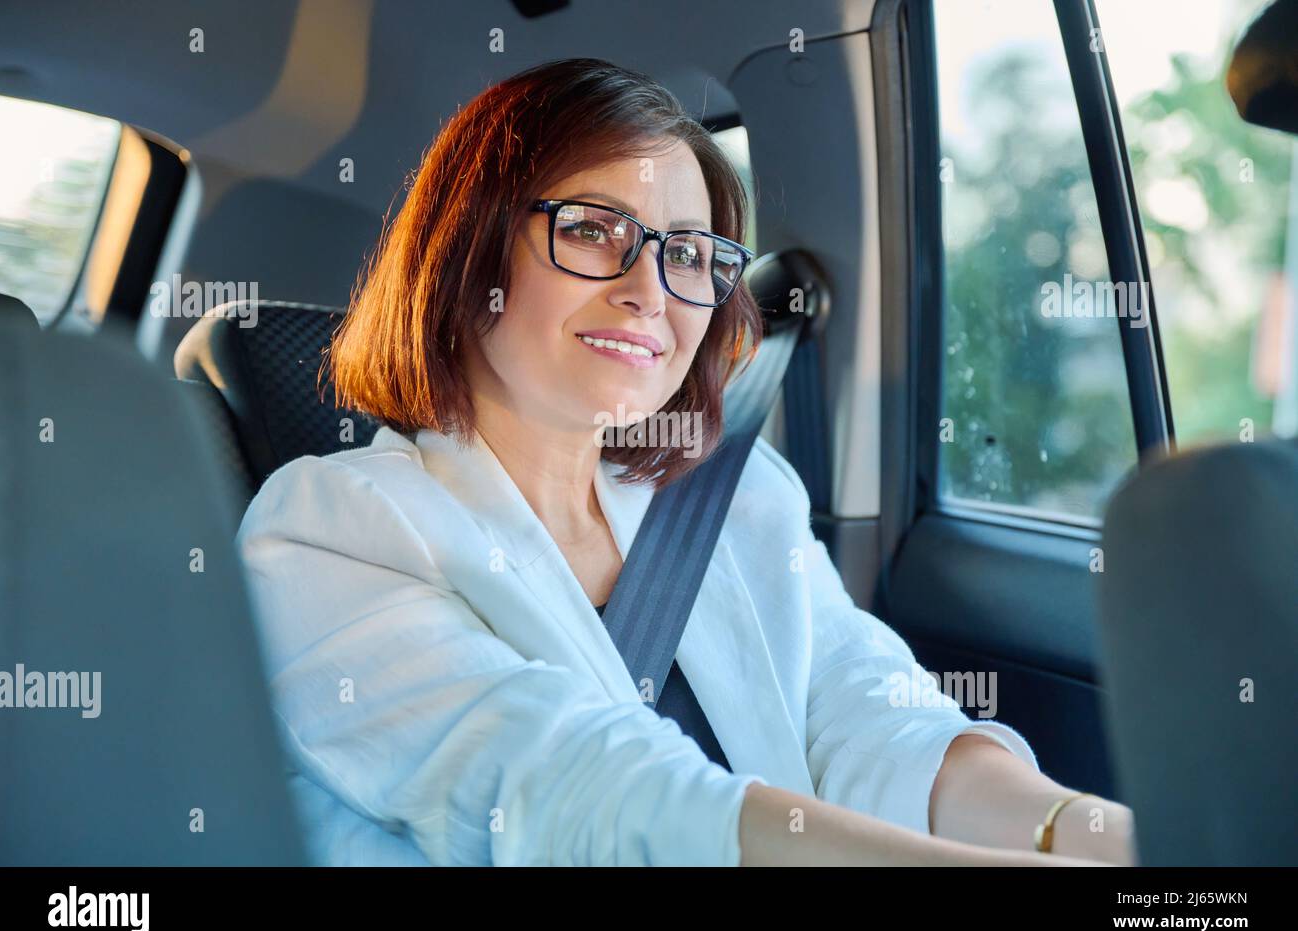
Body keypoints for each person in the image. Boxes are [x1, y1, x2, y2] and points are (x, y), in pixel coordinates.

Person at [235, 57, 1134, 866]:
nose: (648, 292)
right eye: (593, 230)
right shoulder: (327, 531)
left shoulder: (739, 498)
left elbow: (871, 714)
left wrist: (1082, 833)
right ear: (468, 251)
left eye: (691, 254)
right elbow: (569, 791)